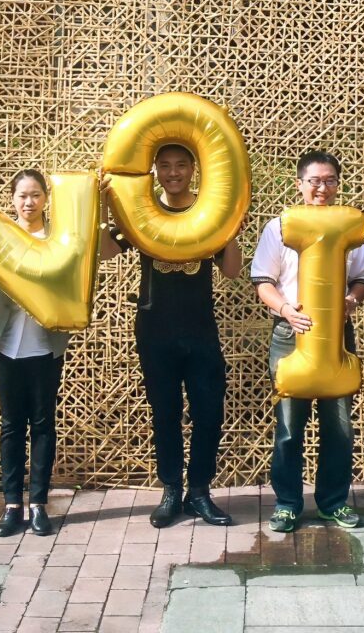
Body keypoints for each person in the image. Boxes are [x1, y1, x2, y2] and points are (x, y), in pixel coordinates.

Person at [101, 144, 240, 528]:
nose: (173, 172)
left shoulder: (208, 211)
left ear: (194, 169)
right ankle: (171, 491)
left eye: (180, 165)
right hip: (155, 328)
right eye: (165, 166)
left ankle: (200, 491)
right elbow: (105, 252)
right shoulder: (143, 212)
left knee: (209, 412)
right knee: (164, 413)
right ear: (155, 171)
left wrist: (230, 226)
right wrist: (103, 210)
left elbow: (231, 270)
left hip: (200, 329)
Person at [249, 149, 364, 533]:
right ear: (300, 184)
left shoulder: (347, 227)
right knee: (289, 427)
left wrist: (351, 300)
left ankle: (333, 503)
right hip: (291, 335)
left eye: (330, 181)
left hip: (336, 336)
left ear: (338, 184)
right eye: (315, 181)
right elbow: (263, 281)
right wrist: (286, 310)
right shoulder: (280, 227)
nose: (322, 188)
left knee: (339, 427)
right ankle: (287, 504)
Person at [0, 170, 67, 538]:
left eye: (35, 194)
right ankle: (11, 506)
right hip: (6, 347)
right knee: (11, 426)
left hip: (45, 347)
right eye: (22, 195)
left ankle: (38, 504)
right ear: (12, 199)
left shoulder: (58, 238)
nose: (29, 202)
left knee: (42, 425)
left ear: (46, 198)